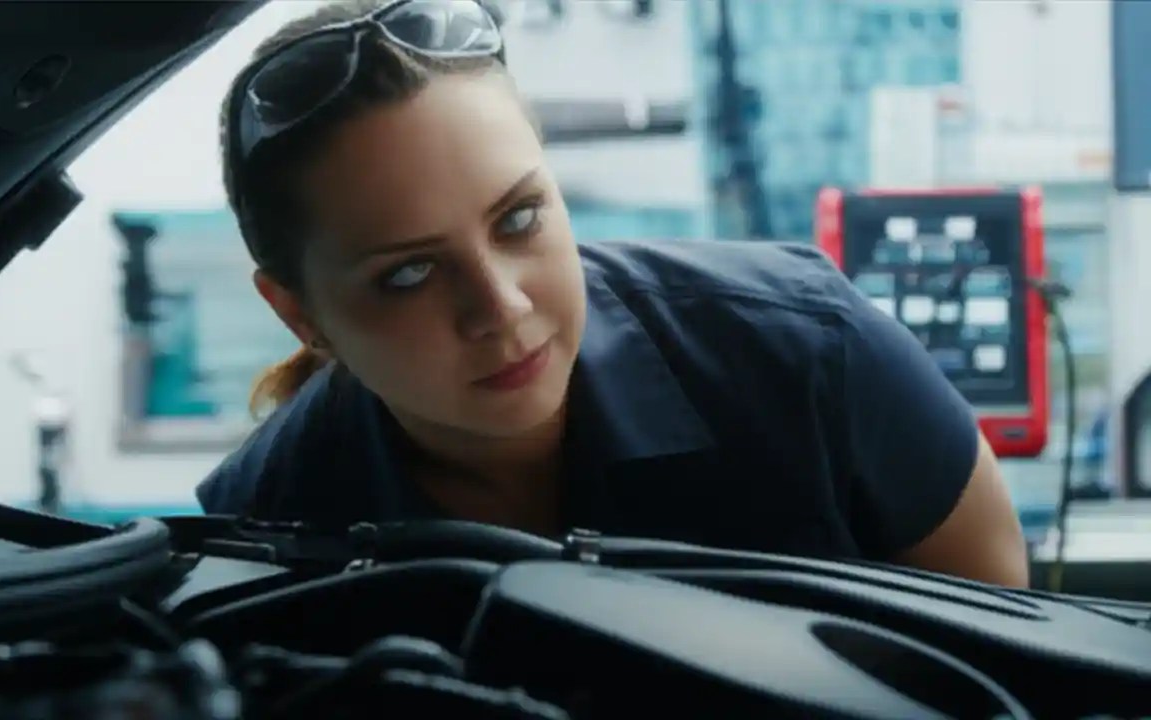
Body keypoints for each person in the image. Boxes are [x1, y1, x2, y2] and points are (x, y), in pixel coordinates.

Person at [197, 0, 1029, 588]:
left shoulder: (811, 353)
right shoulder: (264, 532)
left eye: (519, 218)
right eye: (408, 273)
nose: (504, 308)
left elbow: (1004, 637)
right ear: (302, 316)